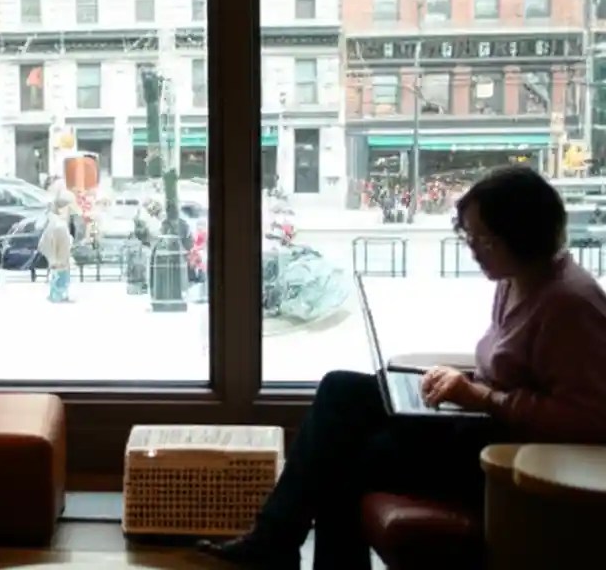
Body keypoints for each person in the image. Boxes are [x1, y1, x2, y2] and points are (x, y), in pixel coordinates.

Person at [199, 165, 606, 570]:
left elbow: (586, 420)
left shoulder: (569, 305)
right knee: (339, 389)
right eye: (468, 236)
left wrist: (485, 397)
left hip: (501, 451)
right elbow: (510, 367)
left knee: (345, 458)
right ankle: (274, 540)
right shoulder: (515, 280)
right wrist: (462, 381)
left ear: (522, 235)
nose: (473, 249)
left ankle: (275, 543)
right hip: (478, 419)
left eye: (484, 238)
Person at [38, 191, 75, 303]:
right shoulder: (59, 225)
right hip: (59, 259)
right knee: (60, 277)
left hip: (60, 259)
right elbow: (49, 242)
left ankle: (58, 295)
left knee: (59, 276)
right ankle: (58, 295)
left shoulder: (56, 222)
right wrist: (53, 258)